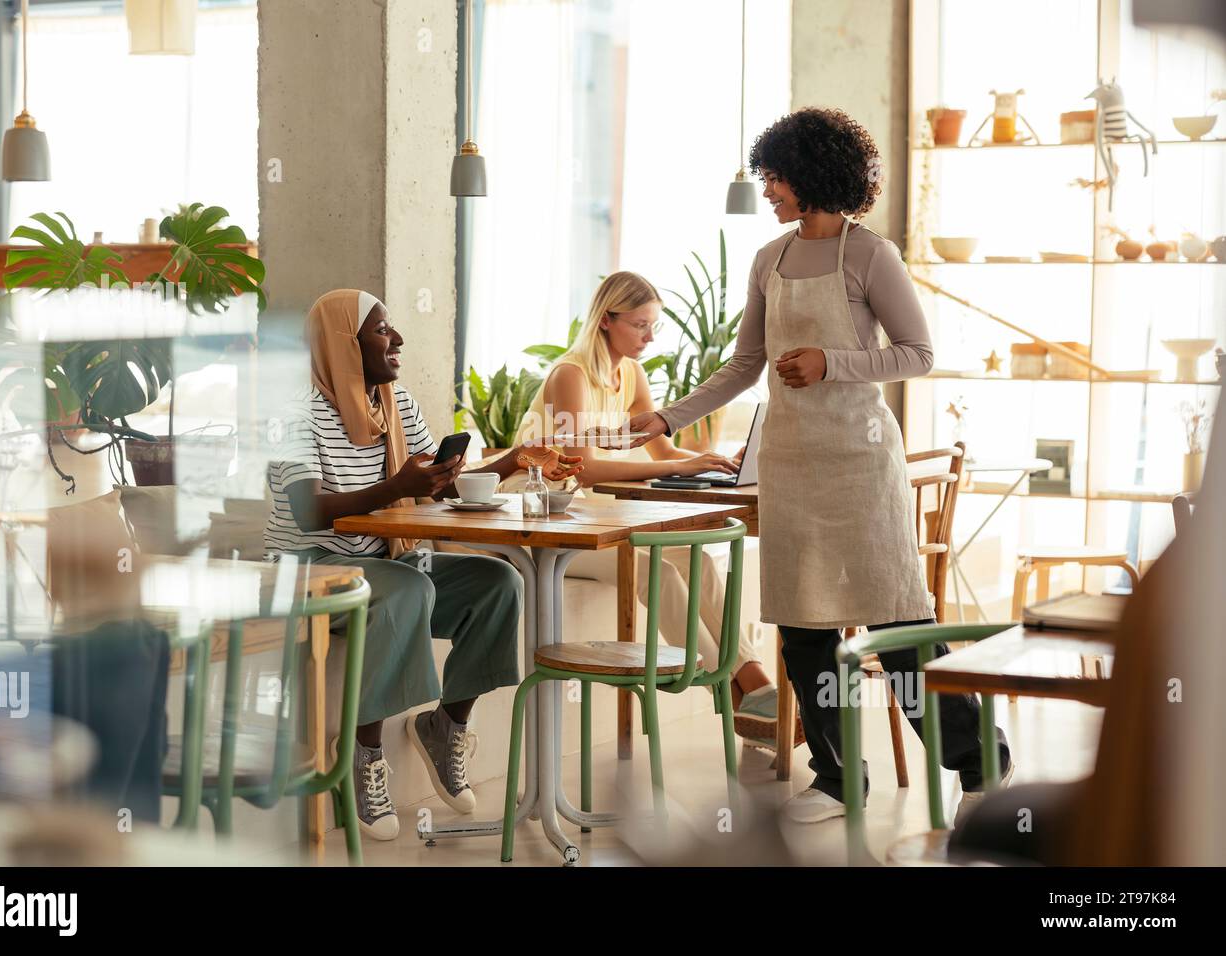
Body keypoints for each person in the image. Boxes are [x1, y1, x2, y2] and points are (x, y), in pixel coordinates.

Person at [629, 108, 1011, 823]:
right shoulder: (768, 259)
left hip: (862, 466)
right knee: (803, 632)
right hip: (793, 466)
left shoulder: (872, 255)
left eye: (775, 175)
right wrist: (664, 418)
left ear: (811, 175)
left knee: (896, 631)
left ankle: (982, 765)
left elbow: (918, 354)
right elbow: (745, 364)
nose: (768, 188)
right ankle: (838, 778)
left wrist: (831, 362)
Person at [264, 289, 581, 840]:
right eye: (382, 330)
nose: (398, 339)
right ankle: (364, 757)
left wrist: (514, 459)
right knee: (406, 590)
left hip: (381, 556)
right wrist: (397, 487)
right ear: (344, 342)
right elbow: (307, 509)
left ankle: (444, 726)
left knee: (497, 582)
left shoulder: (394, 401)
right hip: (307, 565)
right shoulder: (295, 412)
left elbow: (440, 485)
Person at [523, 271, 780, 745]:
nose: (649, 336)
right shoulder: (570, 375)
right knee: (650, 568)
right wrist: (689, 466)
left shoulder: (632, 375)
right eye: (640, 325)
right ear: (606, 320)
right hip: (547, 522)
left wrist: (715, 460)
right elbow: (586, 470)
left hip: (591, 518)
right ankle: (737, 692)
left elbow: (662, 454)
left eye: (653, 325)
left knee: (697, 560)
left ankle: (753, 683)